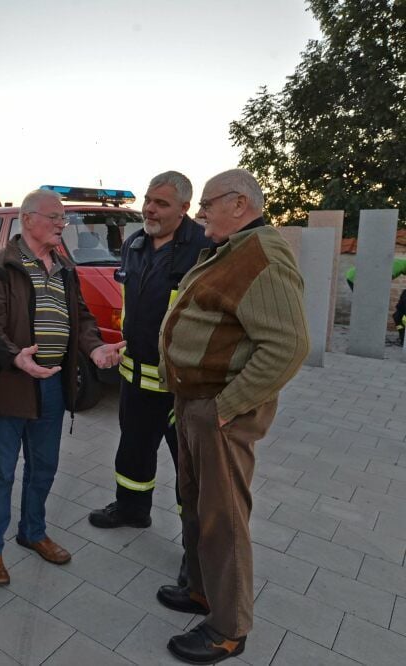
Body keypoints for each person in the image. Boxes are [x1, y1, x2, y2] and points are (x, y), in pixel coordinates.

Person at [156, 169, 308, 664]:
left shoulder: (262, 253)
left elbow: (287, 346)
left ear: (240, 204)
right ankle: (202, 591)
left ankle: (228, 628)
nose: (200, 214)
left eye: (207, 204)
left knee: (223, 519)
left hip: (219, 410)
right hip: (195, 403)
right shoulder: (233, 249)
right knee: (196, 505)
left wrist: (227, 407)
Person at [0, 188, 125, 585]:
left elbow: (82, 320)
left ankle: (32, 532)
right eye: (54, 217)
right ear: (28, 219)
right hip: (9, 385)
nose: (62, 224)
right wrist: (15, 356)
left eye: (63, 218)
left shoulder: (66, 269)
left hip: (53, 386)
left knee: (44, 467)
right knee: (1, 471)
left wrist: (95, 349)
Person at [88, 171, 214, 585]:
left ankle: (195, 552)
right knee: (133, 451)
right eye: (148, 200)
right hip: (135, 376)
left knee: (190, 472)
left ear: (184, 208)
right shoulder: (135, 244)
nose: (150, 209)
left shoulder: (205, 249)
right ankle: (131, 509)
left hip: (180, 387)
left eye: (161, 203)